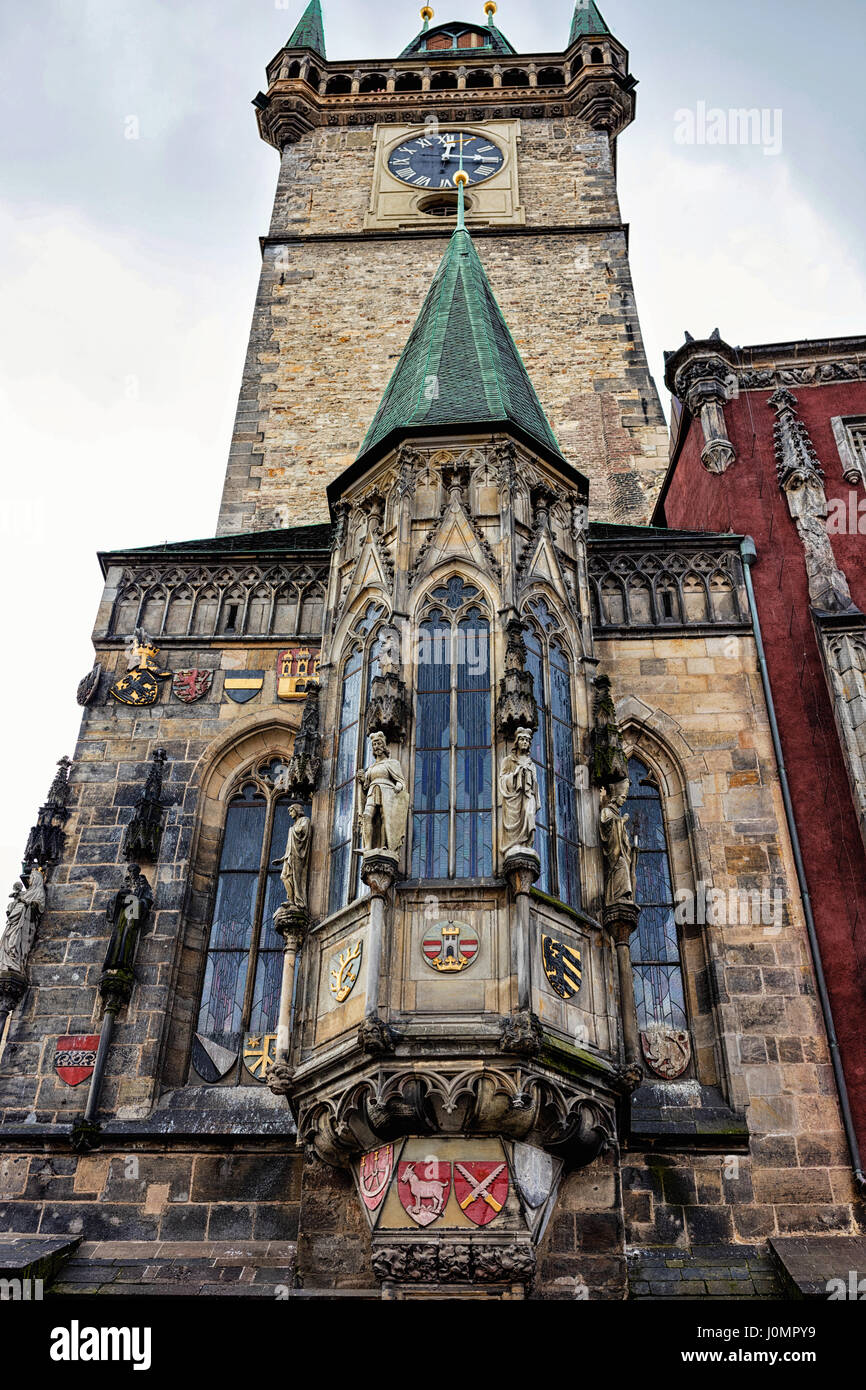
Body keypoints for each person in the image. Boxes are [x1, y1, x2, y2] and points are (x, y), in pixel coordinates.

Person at [358, 732, 409, 855]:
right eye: (374, 744)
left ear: (384, 746)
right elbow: (366, 786)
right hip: (372, 791)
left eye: (379, 743)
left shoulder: (392, 763)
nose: (376, 746)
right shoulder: (370, 768)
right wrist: (362, 780)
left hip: (387, 792)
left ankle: (383, 846)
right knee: (367, 816)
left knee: (384, 818)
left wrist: (398, 786)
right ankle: (367, 847)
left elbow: (400, 780)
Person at [0, 866, 46, 976]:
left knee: (16, 941)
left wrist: (25, 902)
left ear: (35, 879)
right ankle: (6, 964)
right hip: (14, 921)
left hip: (24, 922)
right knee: (8, 939)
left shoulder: (39, 892)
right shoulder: (25, 893)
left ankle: (15, 962)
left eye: (31, 878)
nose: (29, 880)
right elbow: (12, 907)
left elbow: (38, 906)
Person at [500, 728, 539, 854]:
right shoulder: (508, 761)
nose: (524, 742)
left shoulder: (531, 764)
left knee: (529, 814)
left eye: (527, 740)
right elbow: (502, 780)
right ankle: (514, 845)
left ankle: (527, 844)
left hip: (528, 796)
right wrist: (515, 775)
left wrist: (529, 777)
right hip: (513, 799)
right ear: (517, 742)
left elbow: (535, 786)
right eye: (522, 739)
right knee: (516, 817)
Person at [272, 804, 311, 912]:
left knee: (295, 878)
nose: (290, 814)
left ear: (297, 810)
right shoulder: (294, 824)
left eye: (291, 811)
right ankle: (290, 899)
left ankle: (297, 900)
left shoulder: (305, 820)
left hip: (298, 856)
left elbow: (303, 831)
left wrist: (292, 830)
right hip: (289, 856)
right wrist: (281, 859)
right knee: (284, 876)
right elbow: (289, 846)